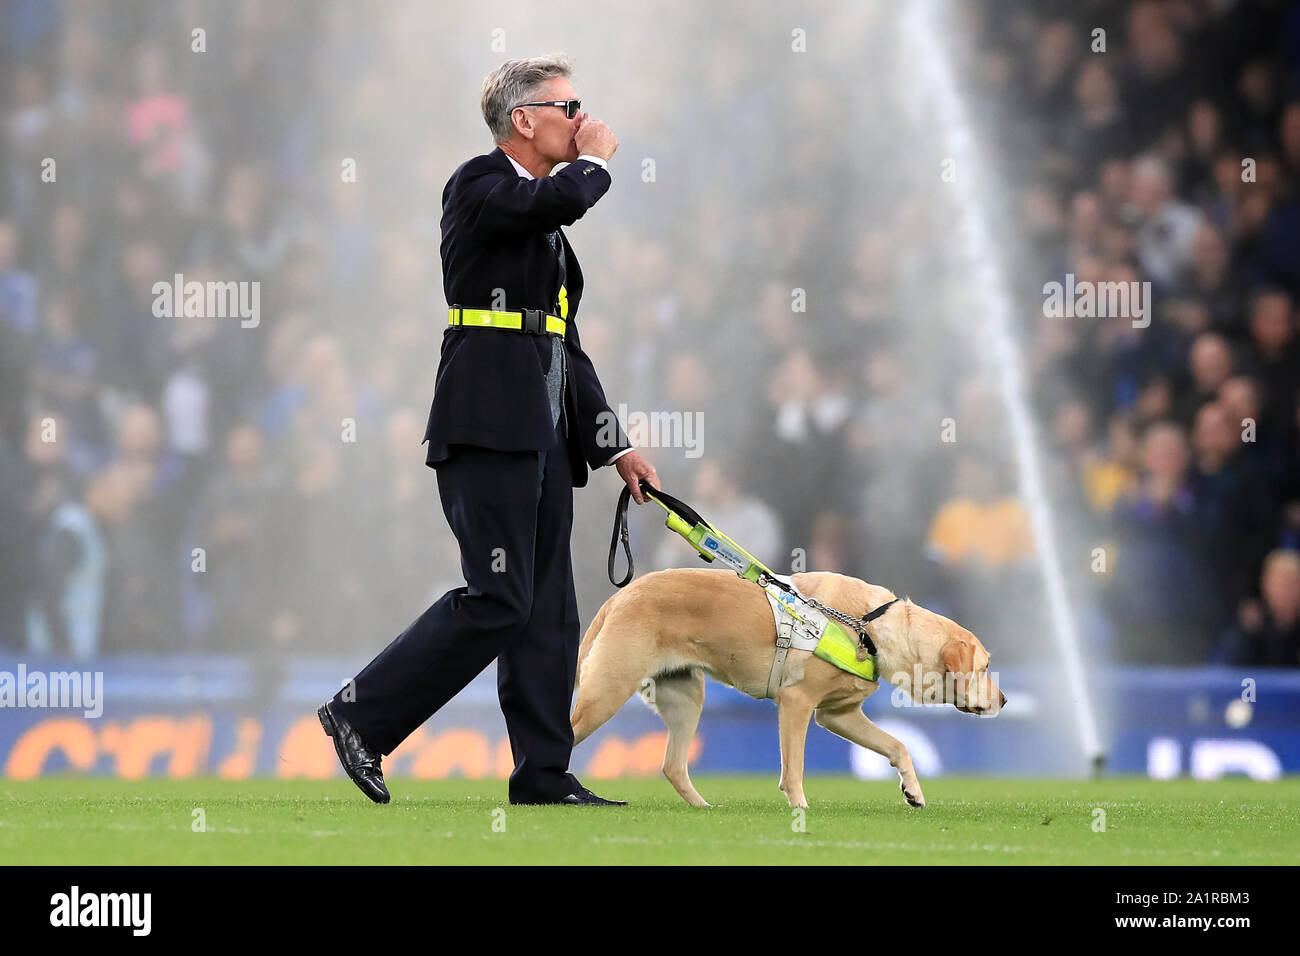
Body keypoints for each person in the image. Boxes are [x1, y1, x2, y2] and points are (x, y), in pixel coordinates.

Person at [319, 54, 658, 806]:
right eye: (569, 105)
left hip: (543, 435)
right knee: (500, 597)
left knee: (547, 610)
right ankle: (359, 714)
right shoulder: (480, 183)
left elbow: (565, 345)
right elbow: (556, 204)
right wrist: (598, 163)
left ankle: (543, 774)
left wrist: (613, 443)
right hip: (487, 424)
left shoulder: (544, 223)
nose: (582, 118)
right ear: (523, 120)